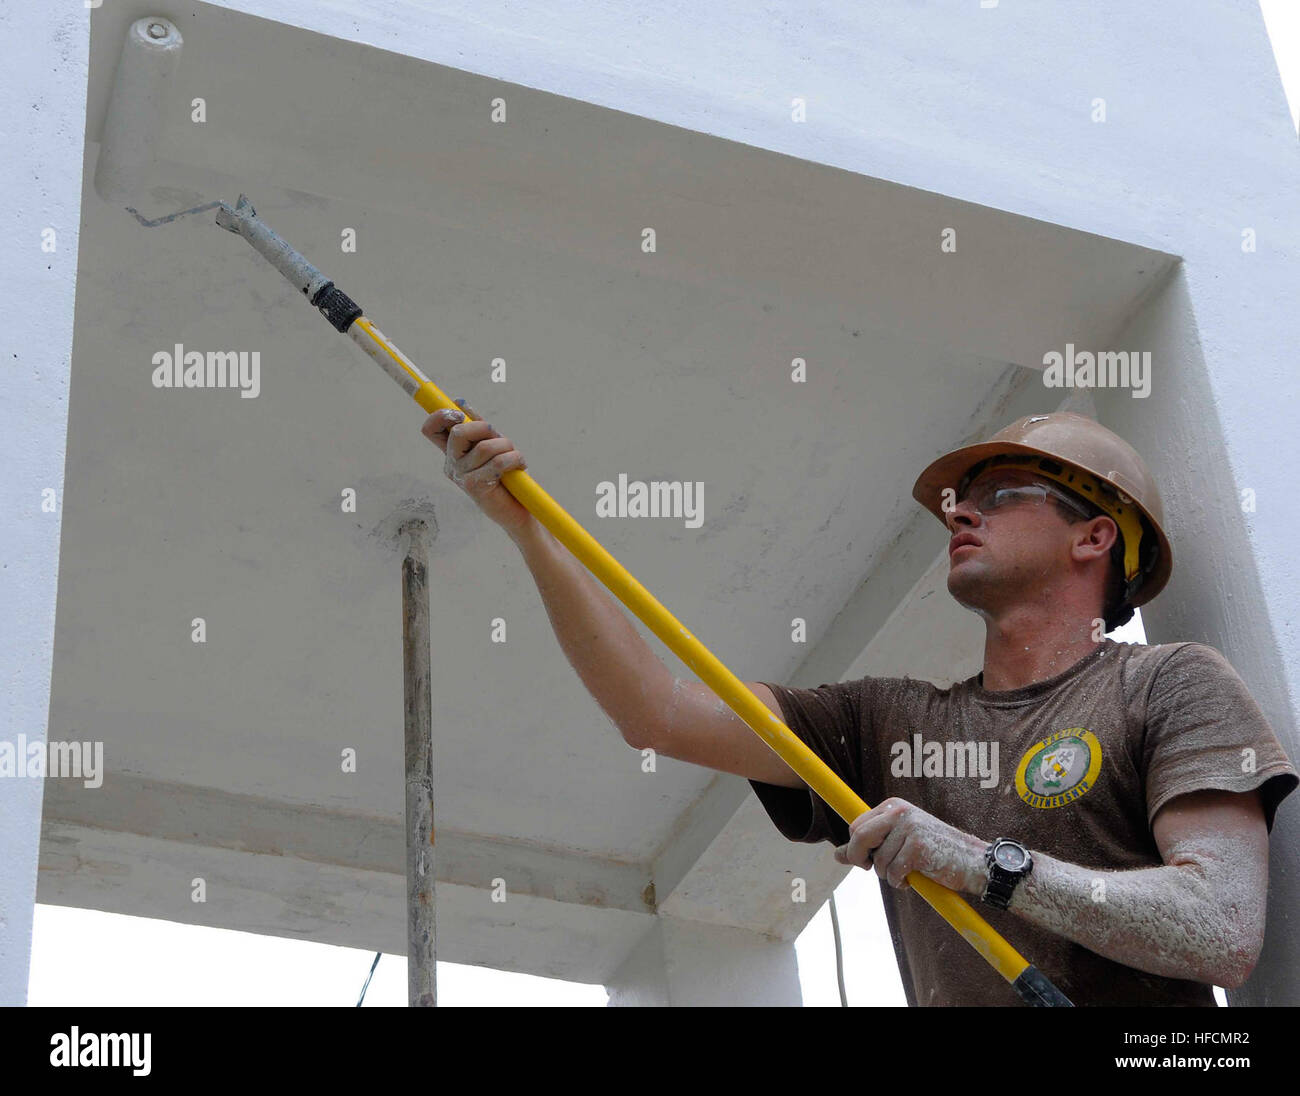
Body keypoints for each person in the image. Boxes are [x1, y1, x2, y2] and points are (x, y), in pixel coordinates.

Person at [421, 404, 1297, 1006]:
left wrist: (984, 865)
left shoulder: (1167, 683)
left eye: (1000, 496)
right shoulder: (887, 725)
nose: (962, 514)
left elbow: (1219, 929)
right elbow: (657, 712)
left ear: (1095, 534)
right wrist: (523, 526)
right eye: (958, 502)